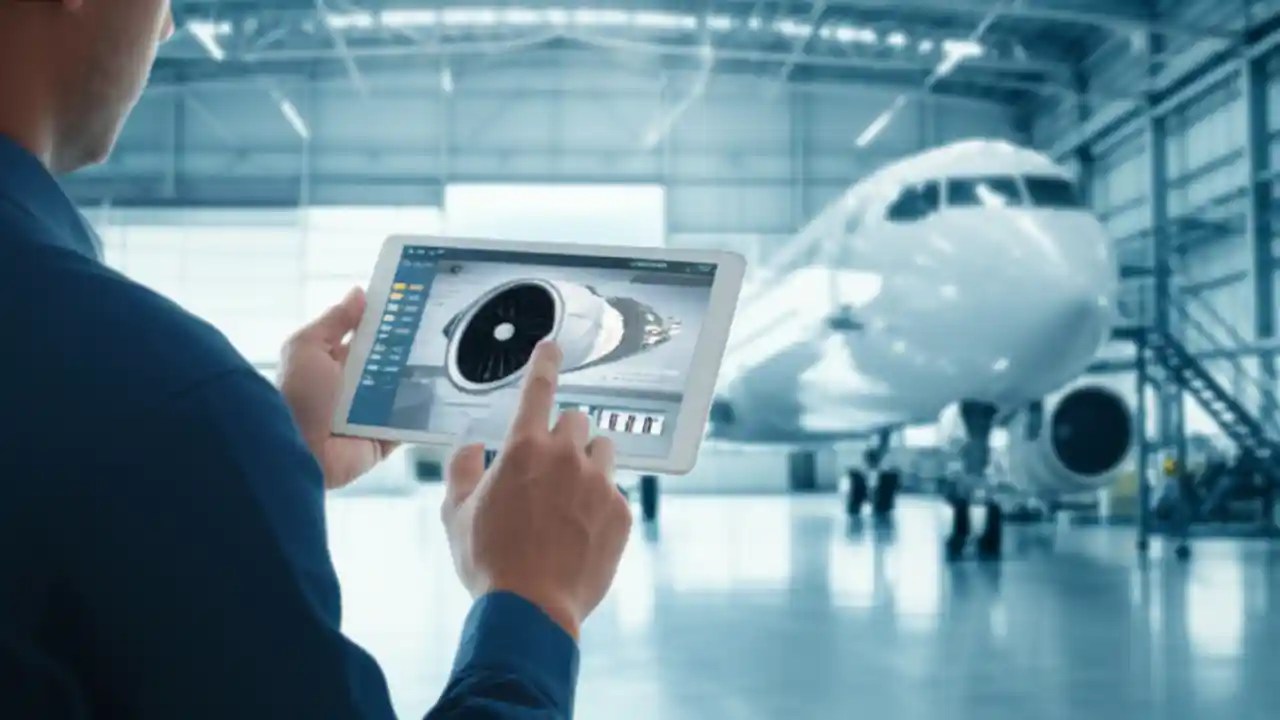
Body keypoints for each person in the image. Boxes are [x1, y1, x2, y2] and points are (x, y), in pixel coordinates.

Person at [0, 1, 632, 718]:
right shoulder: (158, 395)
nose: (168, 26)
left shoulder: (143, 405)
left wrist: (255, 462)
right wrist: (535, 601)